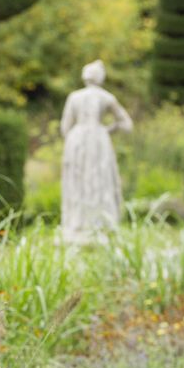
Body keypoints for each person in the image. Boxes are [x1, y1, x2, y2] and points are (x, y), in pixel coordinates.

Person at [59, 59, 133, 244]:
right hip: (99, 142)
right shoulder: (107, 97)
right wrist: (108, 129)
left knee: (77, 182)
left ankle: (76, 224)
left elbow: (65, 127)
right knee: (99, 181)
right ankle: (99, 224)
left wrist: (74, 141)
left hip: (76, 141)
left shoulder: (74, 97)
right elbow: (127, 125)